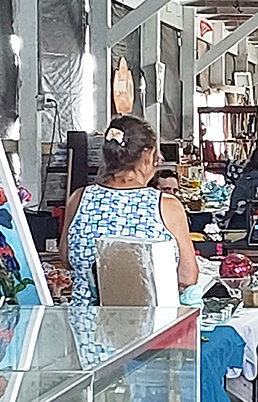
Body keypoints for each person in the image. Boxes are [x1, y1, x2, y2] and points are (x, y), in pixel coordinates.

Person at [61, 115, 199, 304]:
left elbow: (66, 258)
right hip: (151, 327)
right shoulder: (166, 206)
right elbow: (186, 277)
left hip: (86, 327)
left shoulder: (78, 199)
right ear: (146, 156)